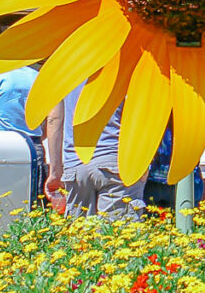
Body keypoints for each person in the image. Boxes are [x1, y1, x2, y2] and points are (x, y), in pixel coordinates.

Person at [0, 64, 61, 204]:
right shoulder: (39, 78)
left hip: (1, 147)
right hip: (33, 148)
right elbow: (51, 121)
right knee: (33, 203)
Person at [55, 86, 144, 219]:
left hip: (74, 163)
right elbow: (137, 113)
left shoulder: (66, 72)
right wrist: (144, 160)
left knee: (80, 236)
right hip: (114, 158)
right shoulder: (122, 66)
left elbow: (54, 119)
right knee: (116, 234)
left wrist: (55, 169)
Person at [143, 125, 205, 211]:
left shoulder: (154, 116)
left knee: (151, 220)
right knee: (185, 220)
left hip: (155, 176)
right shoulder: (197, 116)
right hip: (186, 179)